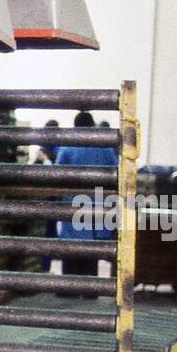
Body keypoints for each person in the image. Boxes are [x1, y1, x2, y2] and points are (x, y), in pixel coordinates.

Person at [54, 111, 118, 276]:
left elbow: (56, 175)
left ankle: (70, 288)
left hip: (72, 203)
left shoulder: (67, 147)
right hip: (97, 202)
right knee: (91, 247)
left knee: (71, 246)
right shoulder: (104, 147)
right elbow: (115, 171)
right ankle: (90, 289)